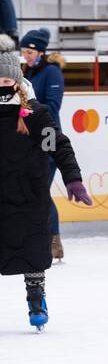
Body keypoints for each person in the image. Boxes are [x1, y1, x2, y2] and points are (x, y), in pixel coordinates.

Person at [0, 36, 92, 328]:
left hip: (30, 191)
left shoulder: (35, 114)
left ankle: (36, 296)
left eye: (6, 82)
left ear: (17, 82)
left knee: (33, 246)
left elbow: (59, 146)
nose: (2, 86)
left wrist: (73, 179)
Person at [19, 28, 67, 261]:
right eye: (24, 51)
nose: (26, 55)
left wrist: (25, 110)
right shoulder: (25, 72)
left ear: (40, 51)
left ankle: (53, 240)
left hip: (48, 136)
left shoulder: (52, 73)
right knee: (33, 190)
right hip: (30, 139)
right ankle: (42, 238)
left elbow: (52, 106)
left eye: (30, 51)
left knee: (39, 190)